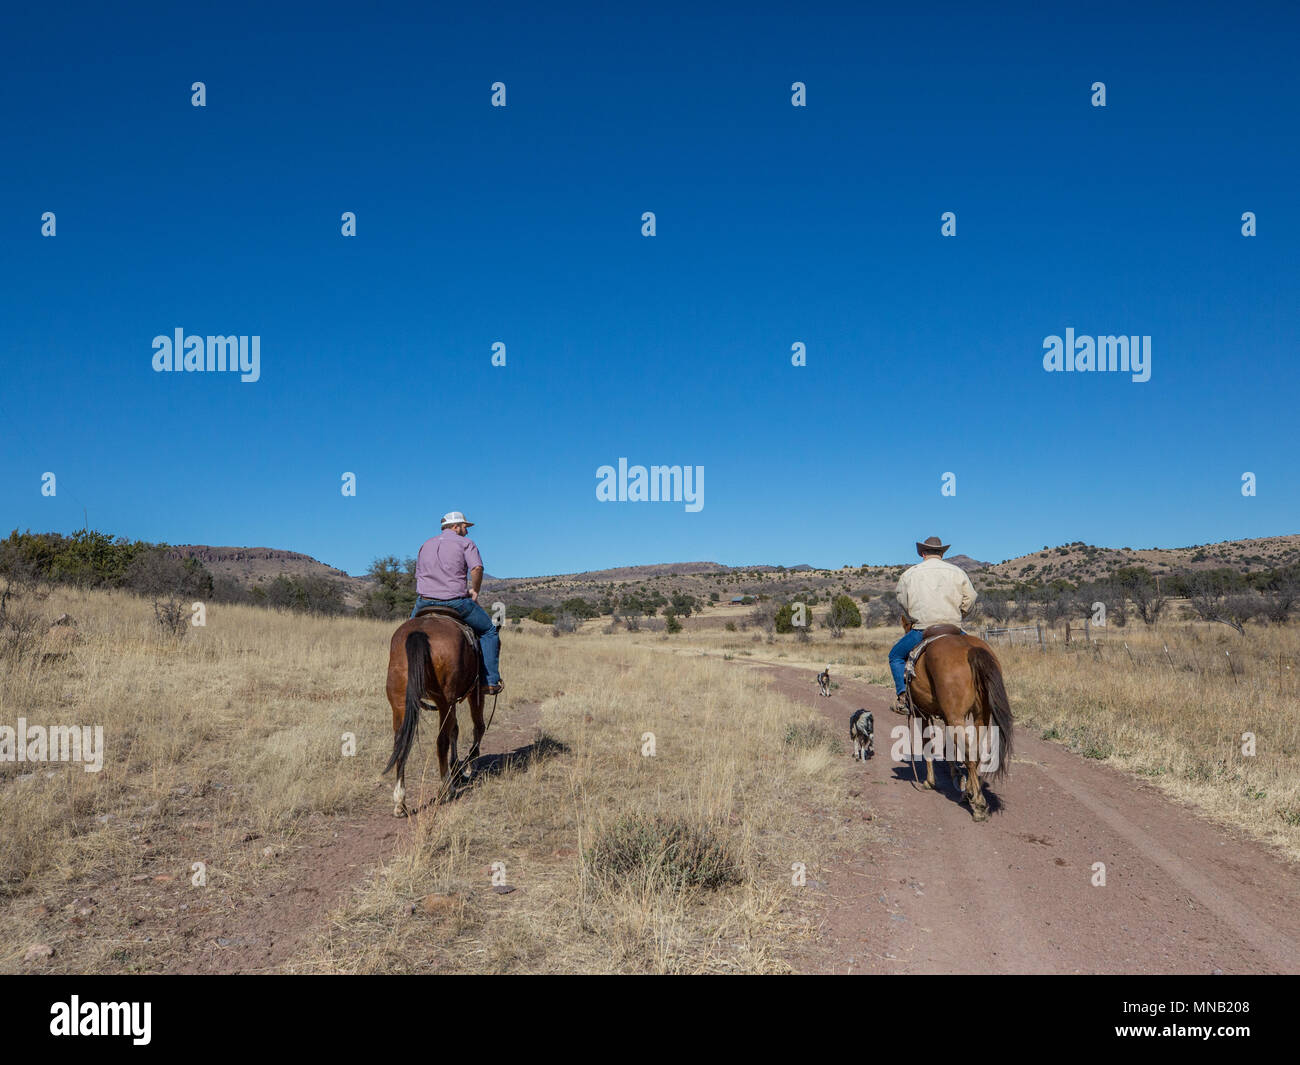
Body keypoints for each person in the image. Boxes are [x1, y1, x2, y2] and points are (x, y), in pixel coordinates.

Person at [410, 511, 503, 694]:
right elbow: (476, 568)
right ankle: (490, 680)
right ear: (455, 526)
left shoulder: (425, 545)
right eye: (464, 527)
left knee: (407, 635)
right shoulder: (466, 543)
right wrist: (475, 590)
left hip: (424, 602)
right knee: (489, 631)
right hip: (455, 602)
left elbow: (418, 574)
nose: (466, 531)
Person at [889, 535, 976, 713]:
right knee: (980, 653)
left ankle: (903, 697)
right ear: (942, 554)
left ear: (922, 553)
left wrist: (913, 616)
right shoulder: (958, 572)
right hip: (954, 629)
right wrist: (959, 614)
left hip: (923, 629)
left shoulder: (910, 574)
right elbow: (971, 598)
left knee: (895, 657)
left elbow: (902, 601)